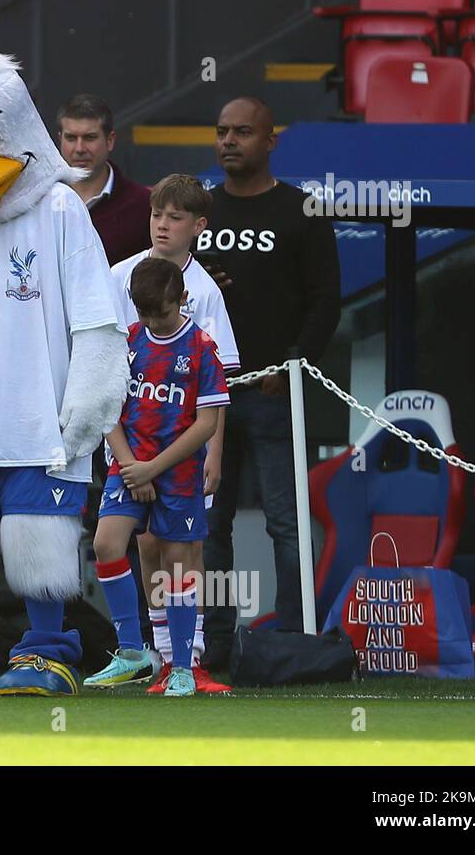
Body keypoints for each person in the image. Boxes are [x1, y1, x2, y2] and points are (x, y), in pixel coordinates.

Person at [200, 96, 341, 667]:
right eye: (221, 131)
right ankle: (212, 644)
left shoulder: (301, 211)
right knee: (210, 525)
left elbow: (325, 301)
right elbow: (164, 291)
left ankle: (291, 642)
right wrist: (196, 284)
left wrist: (294, 362)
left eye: (242, 132)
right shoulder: (200, 211)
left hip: (273, 395)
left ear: (270, 140)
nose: (229, 141)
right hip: (209, 398)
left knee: (287, 521)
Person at [106, 174, 239, 694]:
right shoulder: (121, 276)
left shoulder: (205, 292)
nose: (162, 225)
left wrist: (215, 452)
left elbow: (218, 382)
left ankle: (190, 660)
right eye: (157, 215)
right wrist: (122, 454)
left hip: (182, 446)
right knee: (142, 542)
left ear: (198, 227)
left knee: (183, 548)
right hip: (129, 439)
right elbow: (109, 369)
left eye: (175, 217)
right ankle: (158, 658)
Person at [85, 258, 228, 697]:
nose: (152, 322)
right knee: (106, 544)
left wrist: (153, 468)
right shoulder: (126, 343)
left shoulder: (203, 348)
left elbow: (207, 423)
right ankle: (131, 651)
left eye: (161, 313)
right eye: (144, 313)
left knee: (178, 562)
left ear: (183, 299)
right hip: (128, 466)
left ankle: (182, 666)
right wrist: (132, 466)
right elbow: (107, 408)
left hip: (177, 472)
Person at [56, 93, 153, 266]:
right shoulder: (41, 201)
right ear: (59, 140)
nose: (79, 149)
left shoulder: (143, 205)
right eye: (71, 138)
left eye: (89, 138)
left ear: (110, 140)